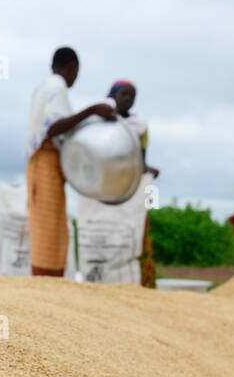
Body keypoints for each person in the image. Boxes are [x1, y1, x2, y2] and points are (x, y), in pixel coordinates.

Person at [26, 48, 117, 277]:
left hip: (45, 164)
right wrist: (92, 110)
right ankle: (44, 284)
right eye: (77, 72)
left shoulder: (45, 86)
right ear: (71, 68)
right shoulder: (57, 86)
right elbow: (54, 127)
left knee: (53, 226)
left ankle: (48, 283)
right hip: (44, 162)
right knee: (48, 230)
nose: (76, 77)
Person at [107, 80, 159, 288]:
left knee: (137, 232)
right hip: (109, 188)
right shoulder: (102, 121)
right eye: (124, 94)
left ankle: (140, 284)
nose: (128, 98)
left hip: (133, 187)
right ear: (113, 96)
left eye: (132, 95)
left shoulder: (140, 127)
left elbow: (142, 159)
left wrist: (148, 170)